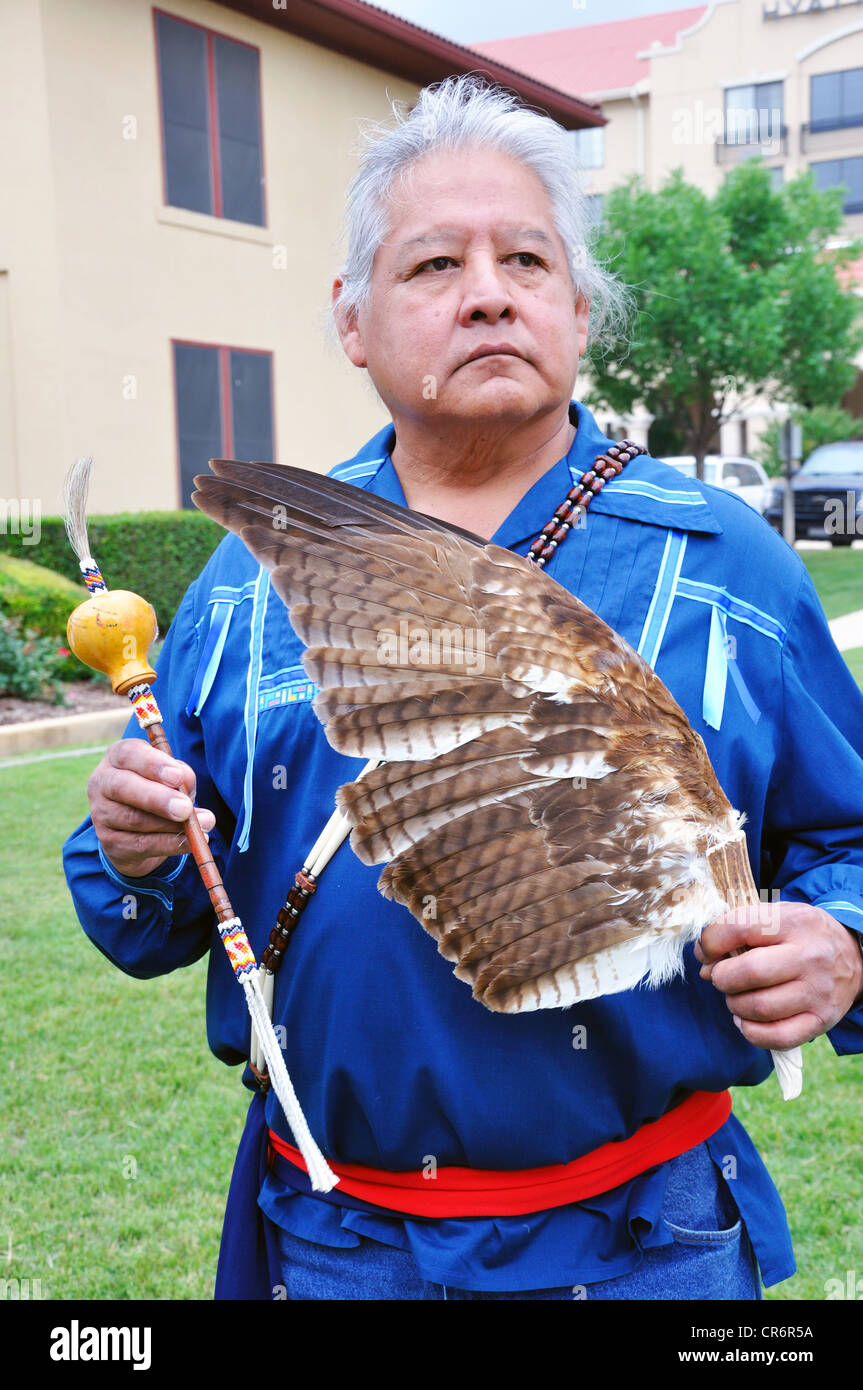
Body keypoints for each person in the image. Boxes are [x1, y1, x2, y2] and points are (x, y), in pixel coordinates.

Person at [63, 76, 863, 1301]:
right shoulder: (249, 577)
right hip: (335, 1245)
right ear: (351, 319)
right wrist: (135, 850)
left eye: (527, 260)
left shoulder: (724, 566)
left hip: (644, 1242)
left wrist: (839, 938)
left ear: (579, 310)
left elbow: (848, 839)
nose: (486, 289)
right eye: (432, 263)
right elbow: (163, 905)